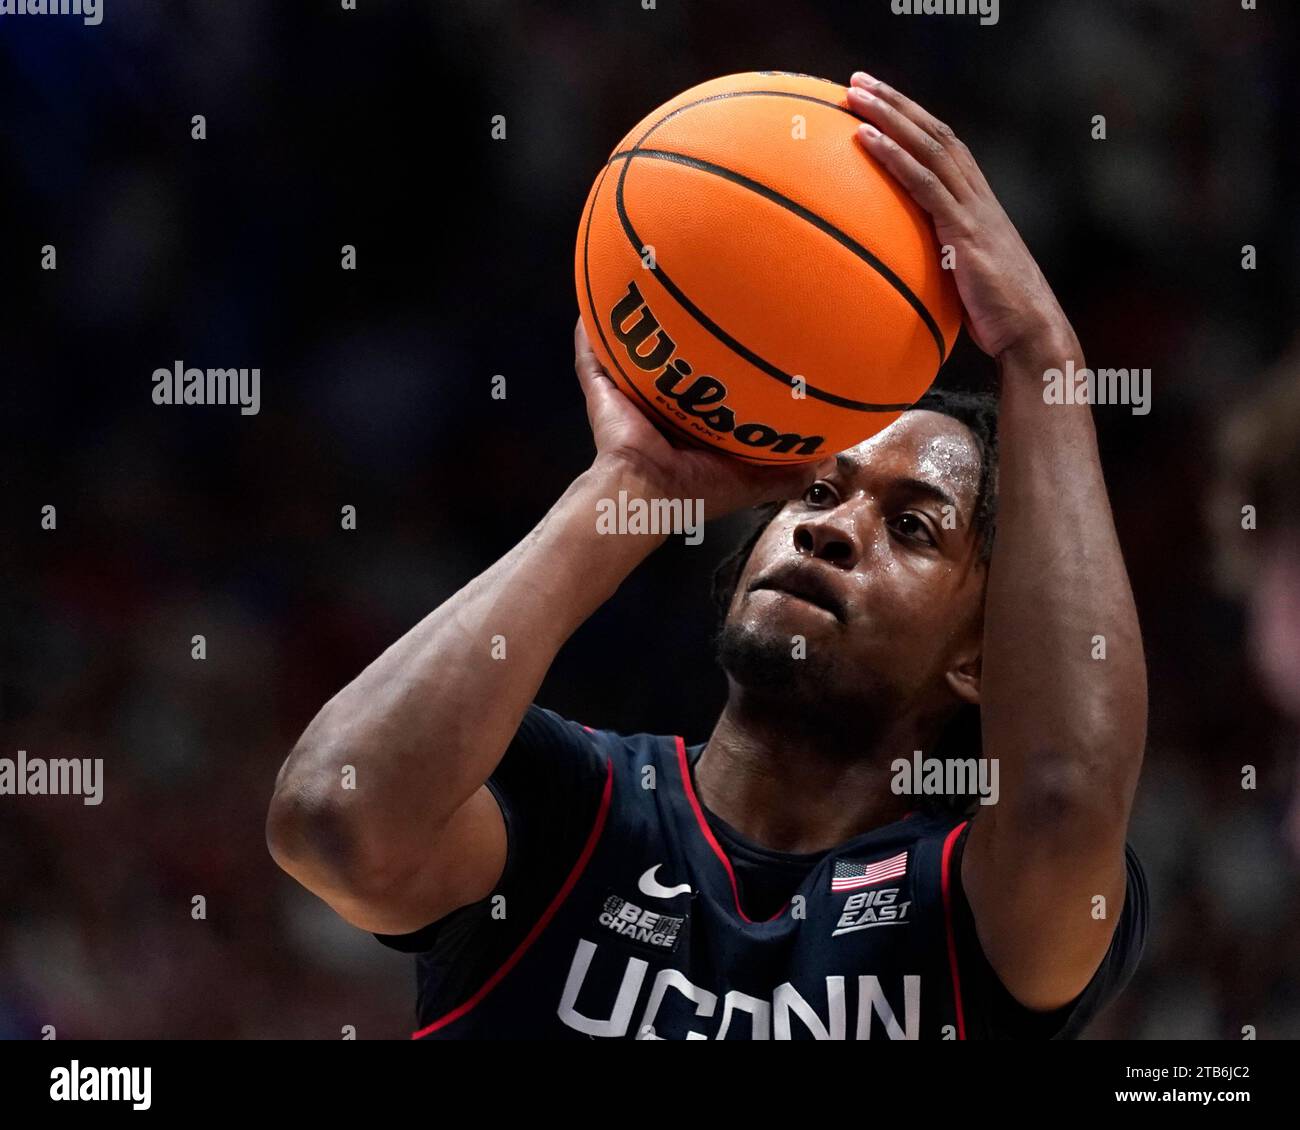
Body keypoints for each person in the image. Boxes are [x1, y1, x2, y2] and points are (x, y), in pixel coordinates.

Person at [267, 72, 1148, 1040]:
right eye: (816, 490)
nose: (829, 526)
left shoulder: (966, 907)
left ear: (981, 656)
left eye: (911, 526)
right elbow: (333, 819)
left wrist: (1041, 354)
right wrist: (630, 486)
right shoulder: (576, 808)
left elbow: (1064, 802)